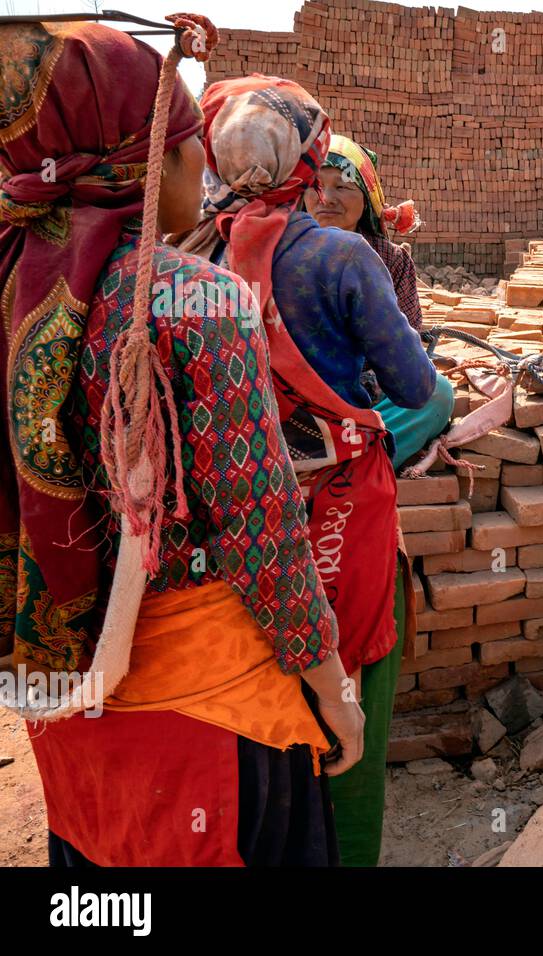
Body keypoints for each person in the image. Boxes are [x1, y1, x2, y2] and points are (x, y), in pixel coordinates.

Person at [0, 19, 362, 866]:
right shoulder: (193, 297)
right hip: (205, 698)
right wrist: (332, 690)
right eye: (193, 145)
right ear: (147, 155)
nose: (205, 171)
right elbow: (259, 524)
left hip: (62, 691)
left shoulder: (12, 278)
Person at [176, 75, 435, 867]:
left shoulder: (188, 258)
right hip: (342, 518)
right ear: (310, 154)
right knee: (351, 689)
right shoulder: (340, 256)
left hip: (235, 531)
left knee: (260, 717)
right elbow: (418, 388)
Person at [304, 134, 454, 468]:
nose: (326, 198)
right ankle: (355, 463)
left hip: (366, 397)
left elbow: (409, 348)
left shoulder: (391, 259)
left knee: (437, 395)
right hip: (298, 398)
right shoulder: (284, 252)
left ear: (368, 198)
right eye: (316, 186)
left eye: (342, 187)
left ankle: (352, 468)